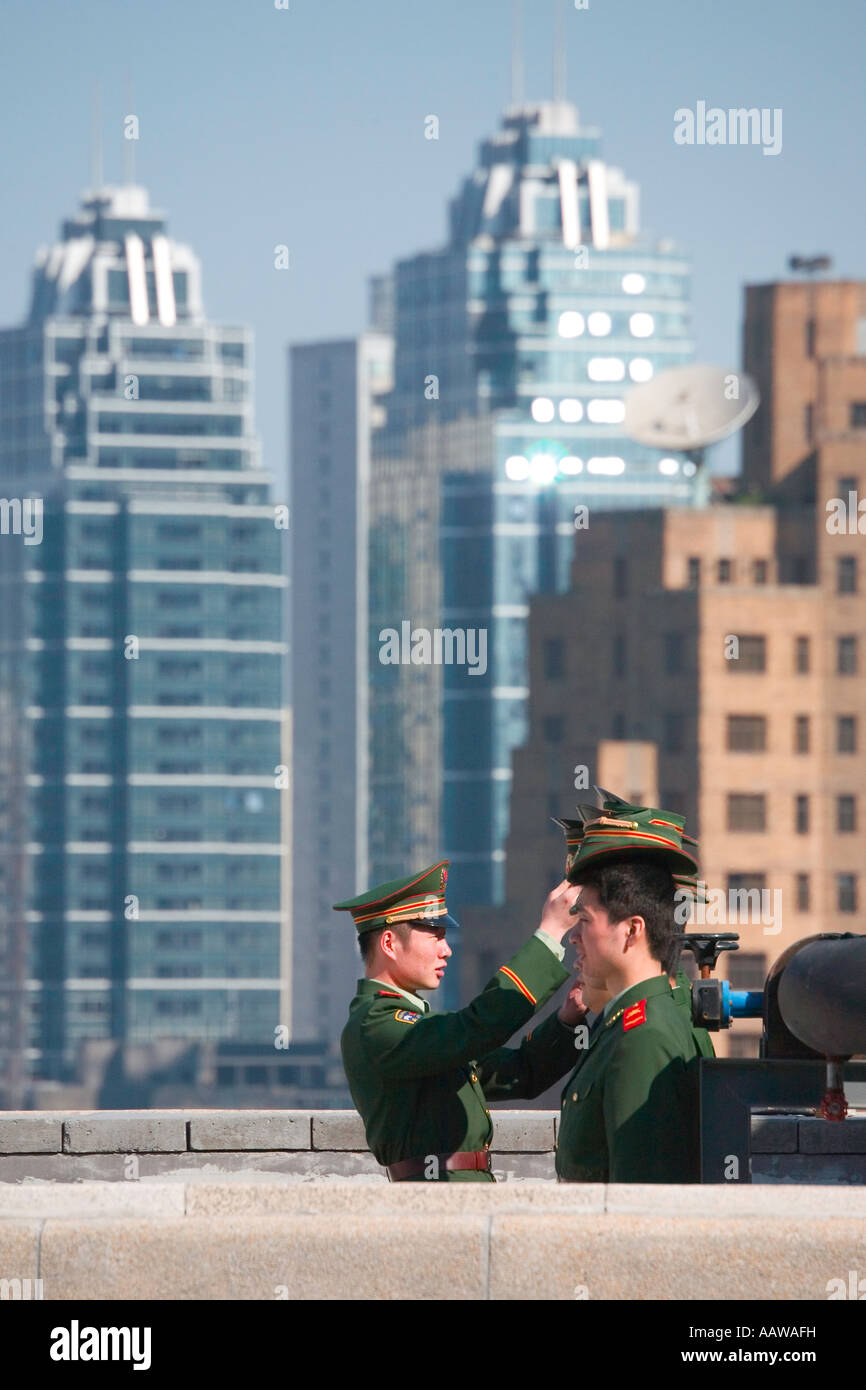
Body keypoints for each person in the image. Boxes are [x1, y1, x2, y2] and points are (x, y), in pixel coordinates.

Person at [335, 860, 585, 1181]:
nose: (446, 951)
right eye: (435, 936)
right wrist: (550, 933)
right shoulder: (376, 1024)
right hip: (435, 1205)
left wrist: (569, 1017)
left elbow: (522, 1073)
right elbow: (478, 1027)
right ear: (389, 944)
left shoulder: (415, 1026)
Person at [555, 804, 707, 1183]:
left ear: (632, 930)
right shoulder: (629, 1023)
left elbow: (641, 1203)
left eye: (585, 921)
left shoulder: (643, 1038)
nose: (574, 937)